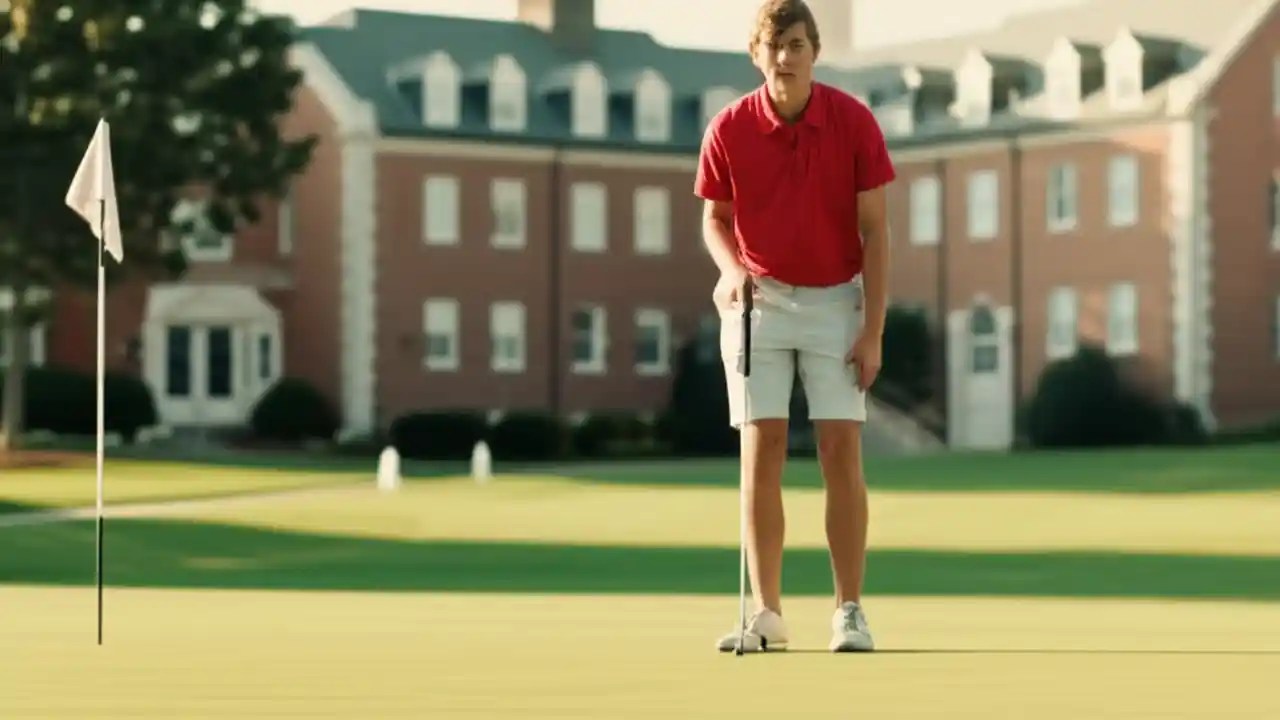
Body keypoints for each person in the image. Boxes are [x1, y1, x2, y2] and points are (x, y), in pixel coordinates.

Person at [694, 0, 895, 653]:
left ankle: (849, 610)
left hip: (838, 302)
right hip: (759, 305)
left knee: (841, 450)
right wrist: (729, 272)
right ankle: (769, 615)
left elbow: (875, 231)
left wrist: (874, 330)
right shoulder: (728, 128)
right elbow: (715, 220)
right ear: (757, 54)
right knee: (764, 451)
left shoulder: (854, 122)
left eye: (797, 44)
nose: (785, 57)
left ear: (815, 51)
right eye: (774, 45)